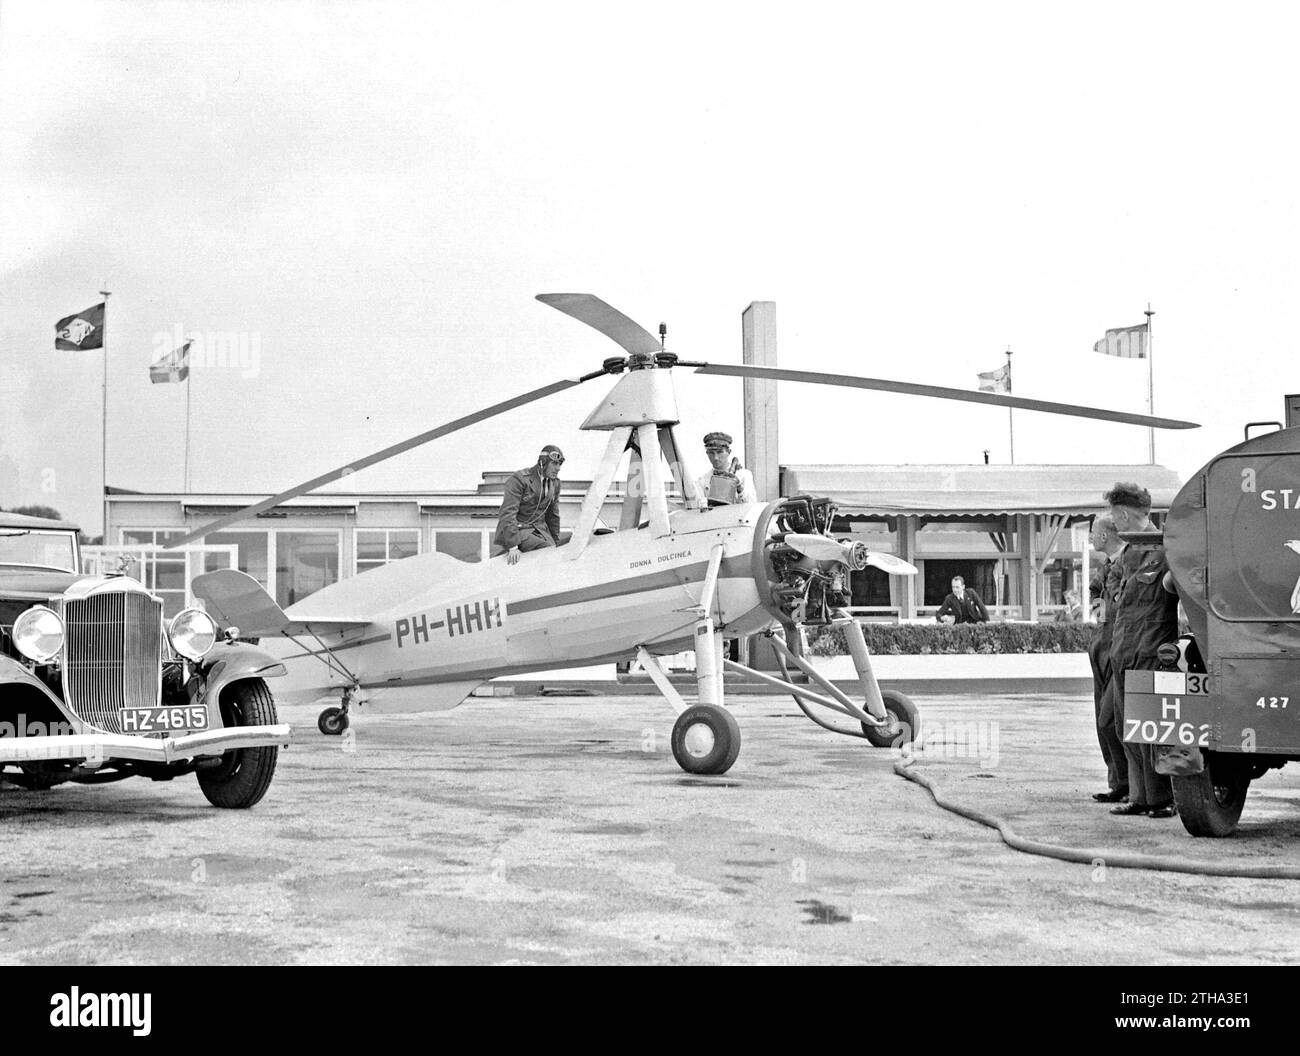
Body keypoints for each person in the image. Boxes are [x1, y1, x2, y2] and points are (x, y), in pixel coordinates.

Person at [1102, 482, 1179, 819]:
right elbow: (1115, 593)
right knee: (1126, 728)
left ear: (1122, 513)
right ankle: (1140, 796)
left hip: (1151, 651)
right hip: (1124, 650)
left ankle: (1163, 798)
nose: (1113, 523)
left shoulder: (1166, 550)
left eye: (1114, 516)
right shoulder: (1129, 553)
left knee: (1153, 729)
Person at [1085, 513, 1128, 803]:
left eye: (1093, 532)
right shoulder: (1107, 566)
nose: (1090, 537)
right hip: (1102, 648)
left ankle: (1128, 784)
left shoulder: (1126, 564)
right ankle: (1118, 783)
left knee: (1110, 720)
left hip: (1119, 649)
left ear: (1104, 536)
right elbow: (1099, 607)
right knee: (1104, 722)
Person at [491, 445, 565, 565]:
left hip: (540, 531)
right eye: (554, 463)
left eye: (559, 464)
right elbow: (508, 513)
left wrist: (557, 542)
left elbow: (553, 516)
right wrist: (513, 546)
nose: (558, 468)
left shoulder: (555, 484)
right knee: (546, 549)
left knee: (555, 552)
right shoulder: (519, 479)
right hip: (518, 531)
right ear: (543, 462)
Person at [696, 431, 757, 506]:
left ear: (729, 452)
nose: (715, 458)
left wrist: (739, 487)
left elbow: (751, 504)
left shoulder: (743, 475)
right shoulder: (703, 480)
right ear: (707, 453)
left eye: (720, 452)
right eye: (711, 453)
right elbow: (699, 507)